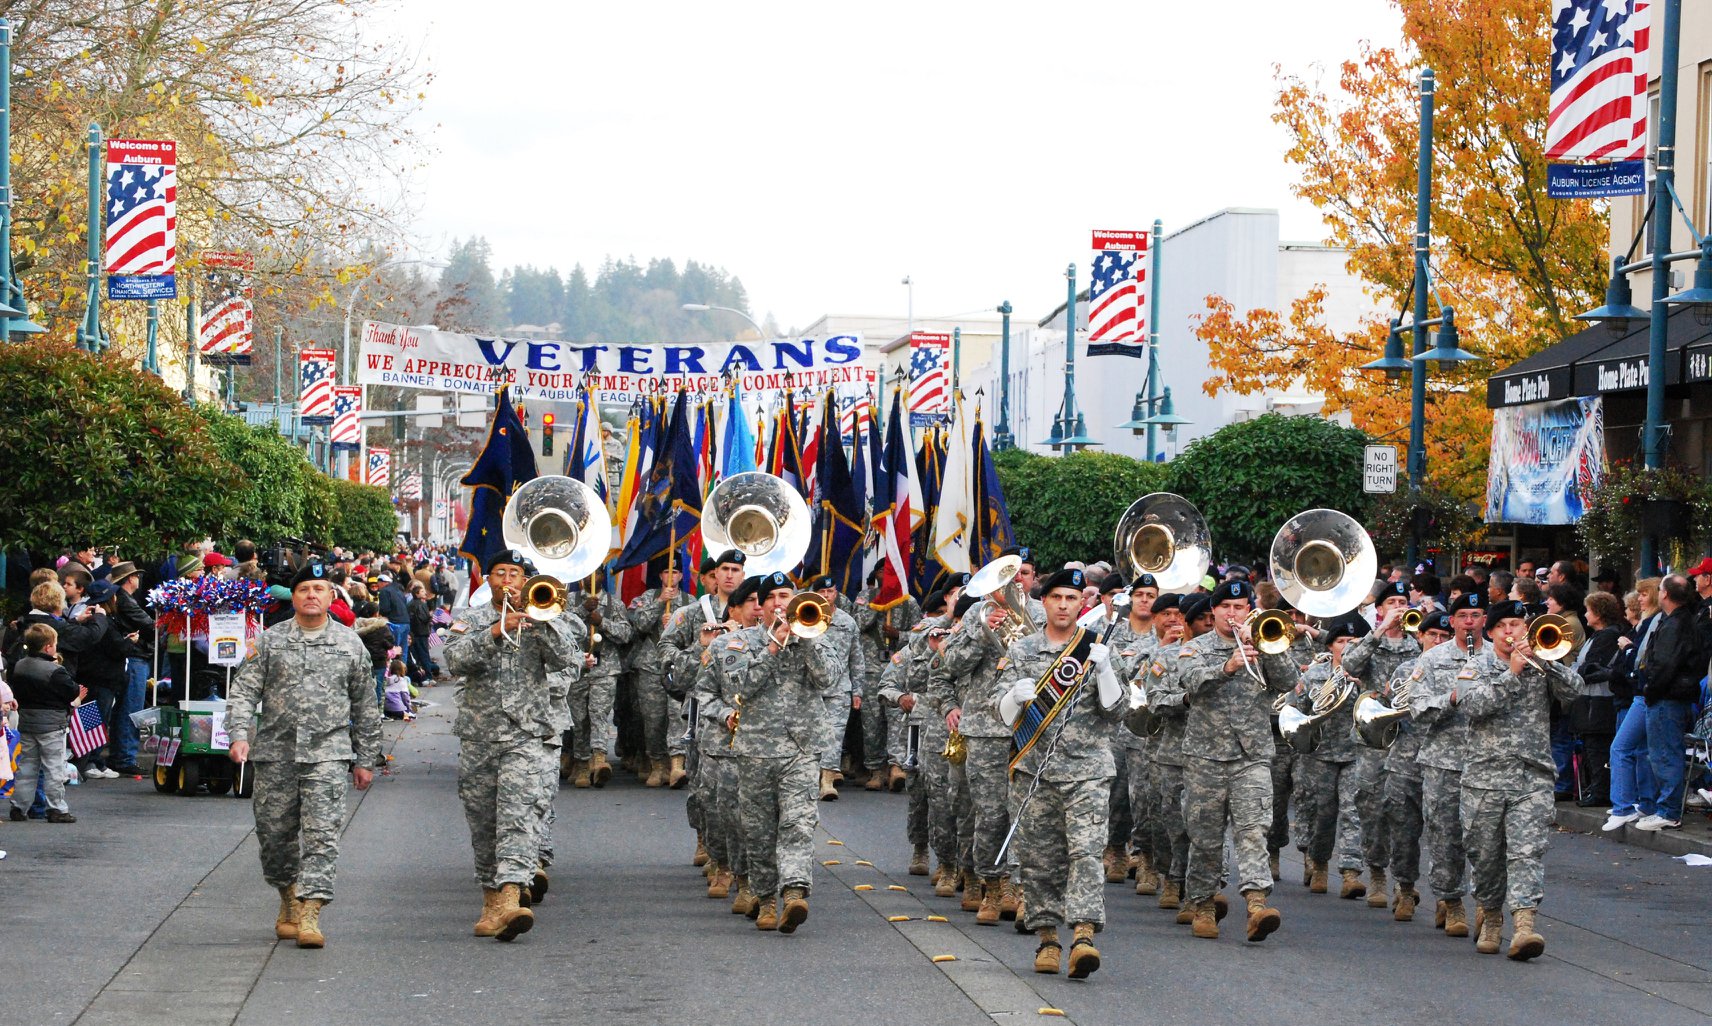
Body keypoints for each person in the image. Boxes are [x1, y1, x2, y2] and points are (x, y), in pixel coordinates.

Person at [224, 561, 382, 949]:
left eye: (319, 588)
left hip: (327, 755)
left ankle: (311, 912)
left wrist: (366, 758)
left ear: (331, 596)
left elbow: (366, 705)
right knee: (275, 837)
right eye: (304, 589)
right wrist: (239, 734)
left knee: (322, 837)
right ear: (293, 597)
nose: (312, 595)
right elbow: (244, 691)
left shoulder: (349, 644)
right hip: (275, 755)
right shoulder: (269, 641)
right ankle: (288, 897)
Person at [995, 567, 1130, 977]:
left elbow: (1117, 709)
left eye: (1072, 599)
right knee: (1040, 861)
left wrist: (1105, 670)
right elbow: (1000, 716)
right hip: (1035, 772)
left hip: (1088, 771)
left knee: (1086, 853)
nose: (1064, 605)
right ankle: (1048, 939)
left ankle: (1084, 936)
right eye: (1056, 597)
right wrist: (1013, 700)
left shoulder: (1097, 647)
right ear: (1046, 601)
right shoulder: (1022, 650)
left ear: (1081, 604)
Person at [442, 549, 582, 942]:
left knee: (518, 816)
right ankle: (490, 901)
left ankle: (511, 898)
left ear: (525, 582)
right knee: (484, 821)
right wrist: (493, 633)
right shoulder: (471, 620)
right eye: (500, 573)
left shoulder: (542, 619)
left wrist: (542, 623)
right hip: (479, 736)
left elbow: (568, 661)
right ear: (488, 579)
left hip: (527, 736)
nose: (507, 580)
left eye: (515, 575)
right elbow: (453, 658)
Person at [1458, 600, 1583, 959]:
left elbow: (1574, 690)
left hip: (1532, 777)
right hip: (1484, 778)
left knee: (1527, 852)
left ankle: (1525, 925)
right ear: (1492, 631)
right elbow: (1472, 707)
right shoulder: (1474, 666)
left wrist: (1546, 662)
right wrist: (1511, 674)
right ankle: (1492, 918)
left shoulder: (1541, 666)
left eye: (1517, 624)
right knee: (1485, 856)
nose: (1511, 631)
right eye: (1504, 626)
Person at [709, 572, 829, 934]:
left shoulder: (815, 635)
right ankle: (766, 899)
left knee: (797, 822)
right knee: (759, 833)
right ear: (759, 606)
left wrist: (805, 641)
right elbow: (737, 687)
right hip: (755, 751)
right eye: (773, 597)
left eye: (786, 595)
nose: (780, 602)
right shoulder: (735, 644)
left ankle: (793, 893)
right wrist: (772, 648)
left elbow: (830, 679)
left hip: (801, 749)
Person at [1406, 591, 1486, 939]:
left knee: (1486, 839)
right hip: (1443, 761)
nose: (1470, 621)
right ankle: (1451, 900)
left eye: (1477, 614)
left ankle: (1488, 903)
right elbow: (1416, 706)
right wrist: (1450, 699)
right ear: (1451, 620)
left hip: (1488, 761)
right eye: (1463, 615)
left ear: (1485, 620)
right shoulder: (1432, 658)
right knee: (1445, 836)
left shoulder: (1501, 656)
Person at [1340, 581, 1420, 907]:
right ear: (1381, 609)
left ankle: (1405, 882)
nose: (1399, 608)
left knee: (1406, 814)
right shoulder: (1366, 643)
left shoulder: (1420, 646)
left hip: (1407, 739)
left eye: (1404, 601)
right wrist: (1378, 633)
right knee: (1371, 809)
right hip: (1373, 740)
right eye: (1393, 603)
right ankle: (1376, 872)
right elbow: (1349, 665)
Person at [1382, 611, 1452, 921]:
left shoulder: (1461, 670)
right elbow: (1396, 709)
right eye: (1432, 635)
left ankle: (1446, 898)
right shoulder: (1407, 670)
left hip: (1444, 761)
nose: (1438, 641)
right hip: (1406, 762)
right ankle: (1405, 888)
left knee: (1445, 834)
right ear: (1420, 636)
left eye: (1444, 636)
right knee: (1404, 831)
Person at [1632, 574, 1705, 830]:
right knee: (1666, 753)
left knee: (1664, 754)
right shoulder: (1684, 620)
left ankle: (1668, 811)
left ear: (1664, 594)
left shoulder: (1675, 625)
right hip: (1675, 694)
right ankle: (1666, 808)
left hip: (1667, 697)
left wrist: (1651, 689)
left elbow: (1664, 664)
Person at [8, 624, 85, 823]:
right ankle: (57, 808)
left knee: (26, 767)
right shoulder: (55, 671)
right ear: (49, 647)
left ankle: (19, 806)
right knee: (54, 768)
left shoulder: (20, 665)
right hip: (52, 725)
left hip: (28, 721)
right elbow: (71, 690)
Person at [1606, 579, 1661, 831]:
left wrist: (1628, 651)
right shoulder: (1653, 622)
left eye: (1643, 594)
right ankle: (1645, 804)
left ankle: (1623, 806)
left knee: (1621, 748)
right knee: (1640, 750)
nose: (1639, 599)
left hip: (1641, 694)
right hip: (1640, 693)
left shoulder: (1654, 622)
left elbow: (1642, 658)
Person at [626, 565, 686, 788]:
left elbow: (698, 634)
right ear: (660, 575)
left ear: (681, 576)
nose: (671, 576)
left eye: (676, 572)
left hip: (677, 667)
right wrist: (660, 601)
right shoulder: (647, 597)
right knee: (653, 719)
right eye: (666, 571)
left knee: (678, 716)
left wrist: (675, 625)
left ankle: (677, 764)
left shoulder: (690, 602)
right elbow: (639, 625)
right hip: (650, 666)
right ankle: (657, 764)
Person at [807, 575, 864, 801]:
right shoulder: (806, 616)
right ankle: (810, 778)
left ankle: (827, 781)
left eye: (829, 592)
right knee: (812, 734)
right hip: (811, 688)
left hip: (840, 689)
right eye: (821, 592)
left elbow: (856, 658)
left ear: (836, 593)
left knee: (834, 734)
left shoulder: (848, 622)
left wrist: (857, 691)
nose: (826, 596)